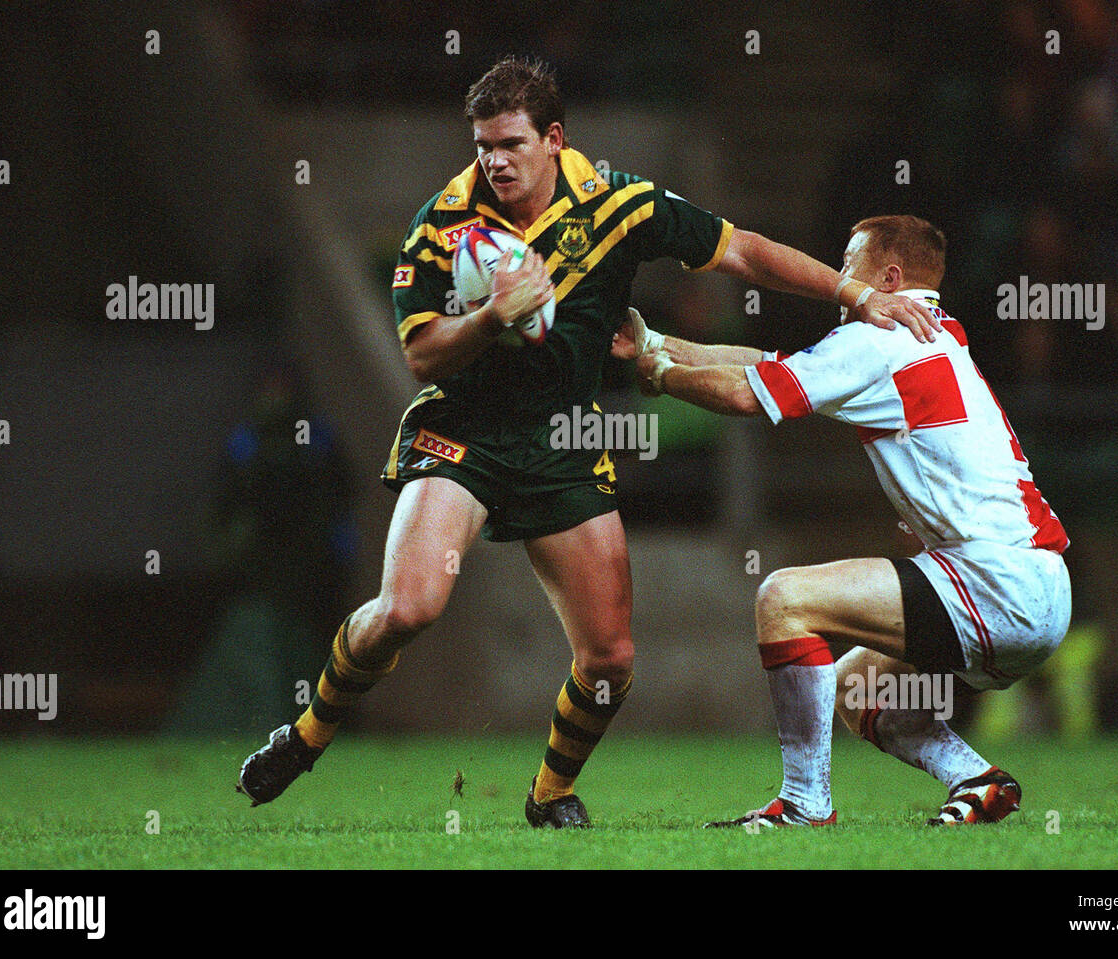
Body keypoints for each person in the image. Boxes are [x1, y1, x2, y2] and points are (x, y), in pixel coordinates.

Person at [236, 58, 939, 828]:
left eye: (509, 143)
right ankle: (306, 736)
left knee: (610, 662)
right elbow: (421, 354)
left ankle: (549, 795)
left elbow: (739, 250)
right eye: (482, 146)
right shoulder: (442, 222)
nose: (493, 161)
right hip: (462, 431)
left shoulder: (618, 203)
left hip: (561, 439)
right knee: (409, 607)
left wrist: (853, 292)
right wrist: (490, 318)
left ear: (554, 138)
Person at [622, 214, 1070, 827]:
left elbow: (746, 395)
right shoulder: (935, 334)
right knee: (858, 685)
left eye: (848, 261)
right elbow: (769, 363)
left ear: (888, 276)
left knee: (784, 599)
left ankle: (805, 805)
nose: (838, 278)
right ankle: (976, 780)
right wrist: (653, 345)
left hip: (995, 584)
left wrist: (664, 378)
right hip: (1034, 586)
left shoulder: (875, 341)